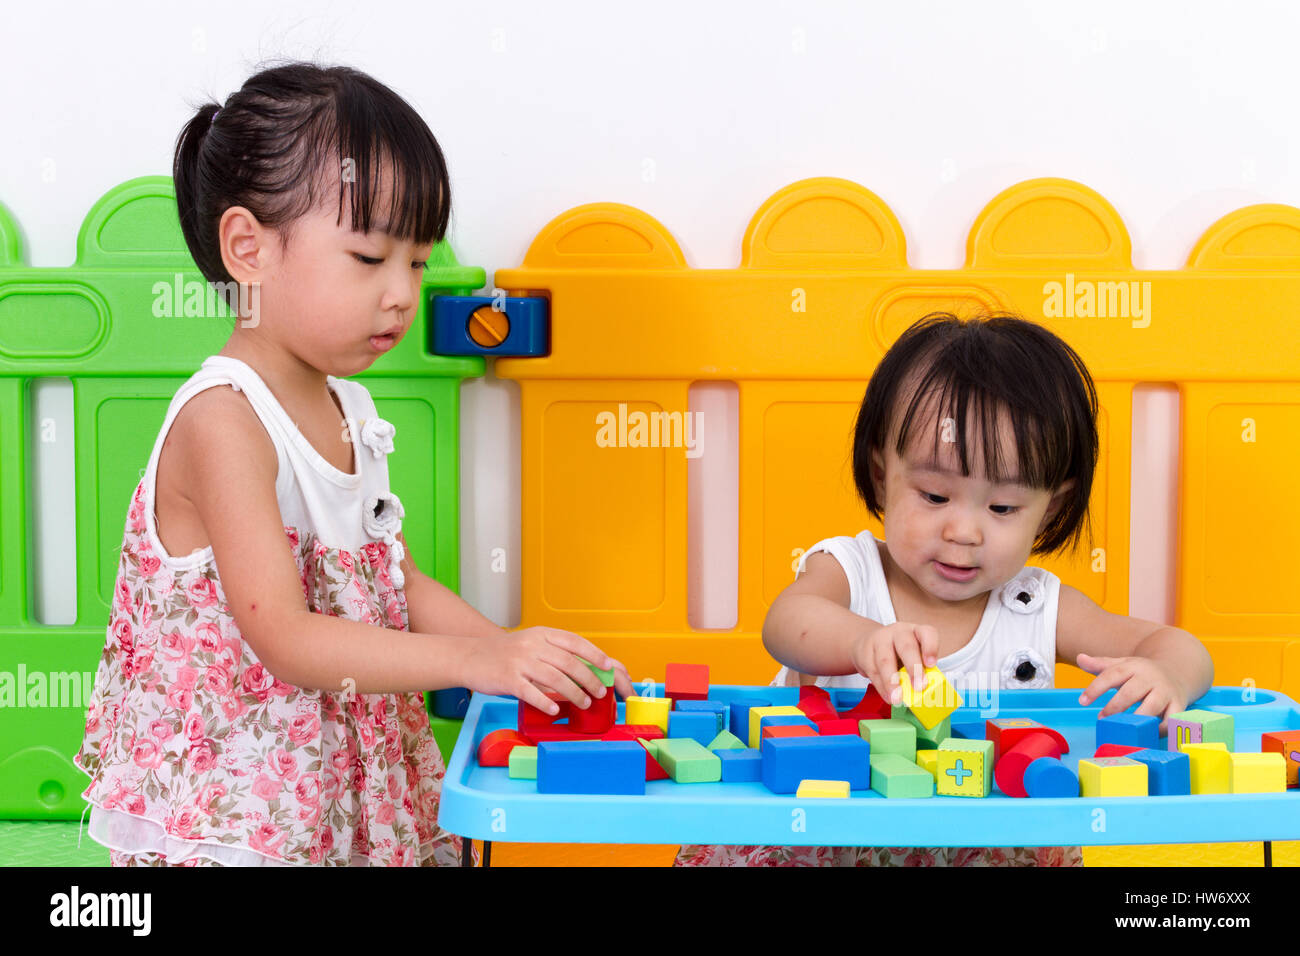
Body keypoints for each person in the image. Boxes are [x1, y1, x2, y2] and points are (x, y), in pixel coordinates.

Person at [74, 60, 633, 867]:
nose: (403, 293)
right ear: (248, 249)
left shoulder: (352, 412)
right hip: (247, 806)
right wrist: (476, 661)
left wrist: (514, 656)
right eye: (370, 259)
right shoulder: (223, 420)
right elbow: (288, 638)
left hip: (339, 781)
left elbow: (391, 580)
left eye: (417, 261)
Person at [675, 311, 1213, 866]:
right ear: (884, 475)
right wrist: (863, 642)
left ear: (1049, 507)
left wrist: (1166, 674)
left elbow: (1175, 645)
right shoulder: (853, 570)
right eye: (934, 496)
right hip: (824, 836)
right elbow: (787, 621)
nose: (964, 531)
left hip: (983, 846)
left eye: (1003, 507)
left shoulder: (1036, 608)